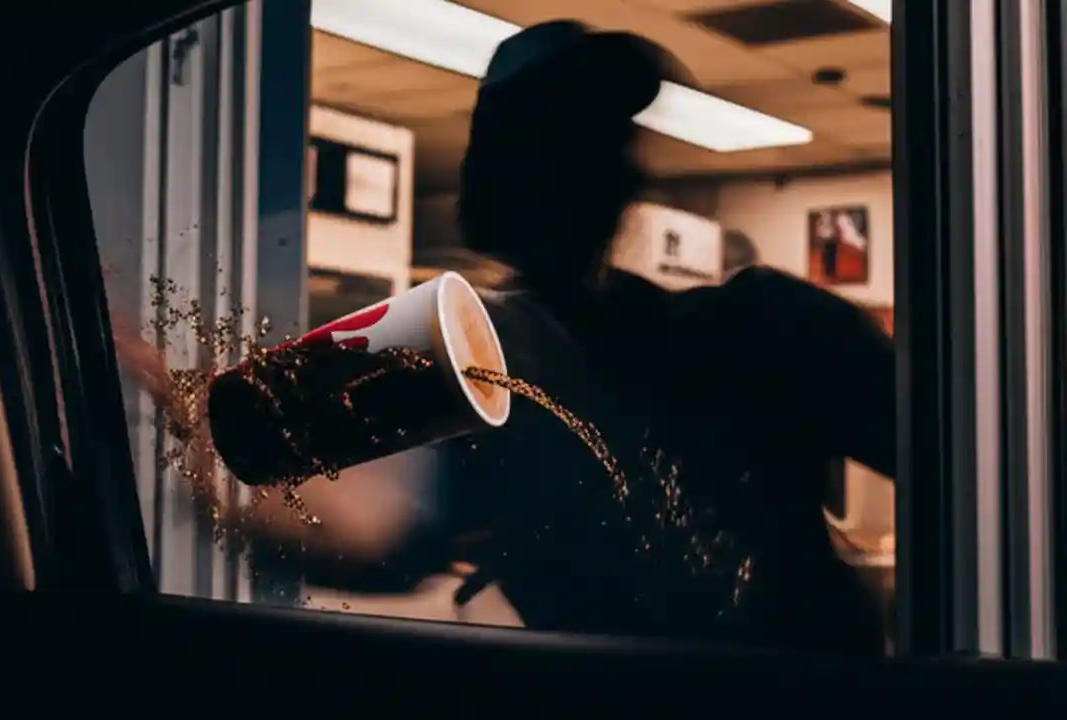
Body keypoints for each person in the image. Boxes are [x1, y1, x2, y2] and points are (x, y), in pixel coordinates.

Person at [114, 20, 895, 655]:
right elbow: (377, 527)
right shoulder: (481, 369)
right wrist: (212, 430)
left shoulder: (768, 328)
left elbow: (976, 464)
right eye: (550, 147)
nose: (577, 174)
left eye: (591, 144)